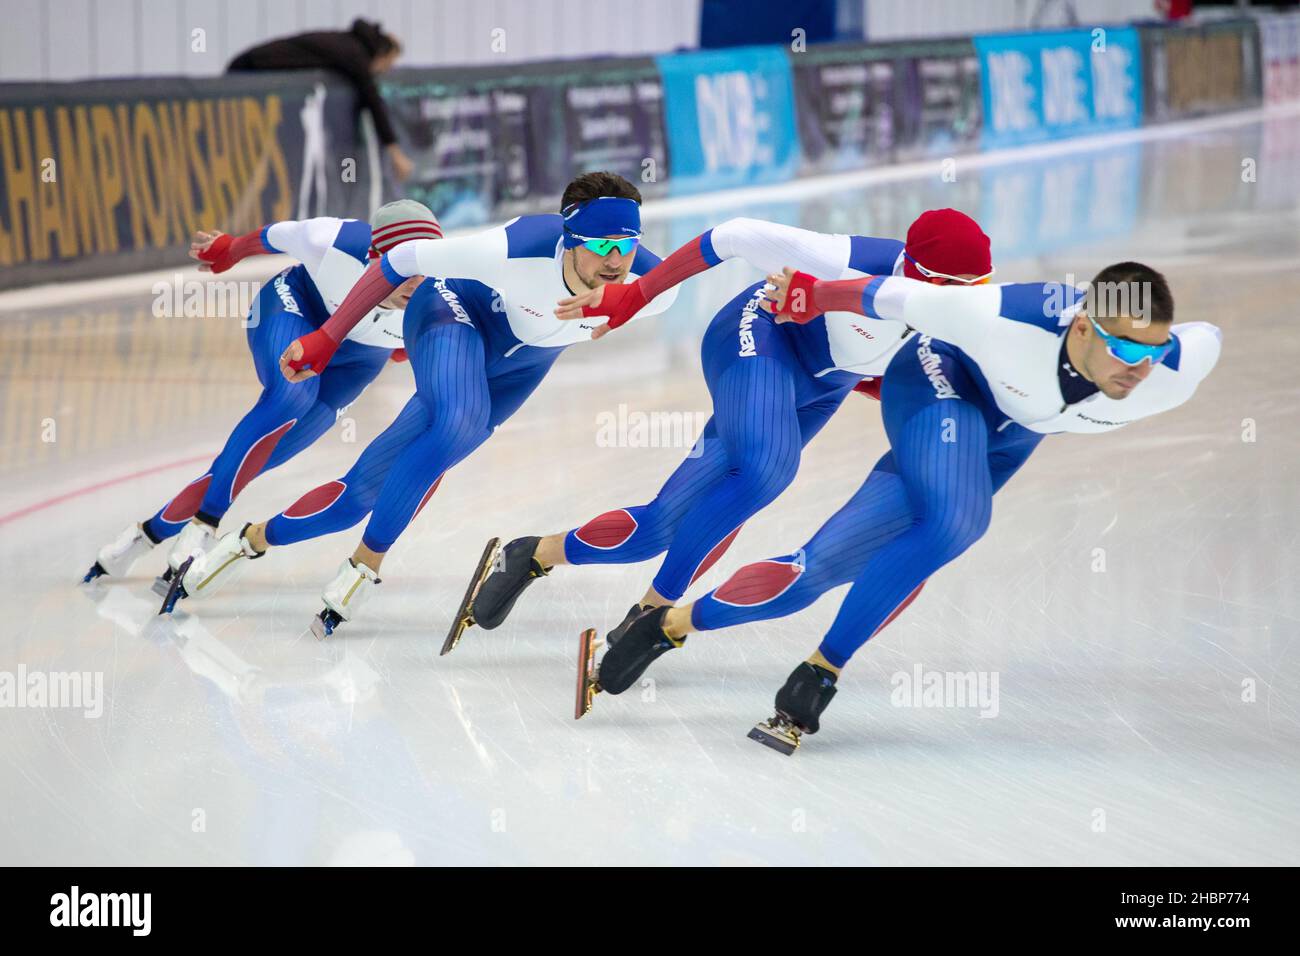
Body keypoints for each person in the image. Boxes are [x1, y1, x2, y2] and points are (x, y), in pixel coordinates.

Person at [590, 260, 1222, 753]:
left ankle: (668, 628)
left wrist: (1159, 350)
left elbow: (1206, 335)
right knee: (957, 519)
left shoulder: (1175, 369)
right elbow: (897, 298)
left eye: (1152, 352)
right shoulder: (1008, 314)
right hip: (939, 382)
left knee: (821, 569)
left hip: (1012, 433)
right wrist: (813, 292)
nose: (1139, 368)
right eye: (1126, 350)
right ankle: (819, 674)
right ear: (1082, 326)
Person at [455, 210, 994, 659]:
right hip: (759, 340)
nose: (958, 300)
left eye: (976, 289)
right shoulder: (841, 257)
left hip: (826, 384)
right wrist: (636, 295)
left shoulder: (965, 305)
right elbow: (729, 236)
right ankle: (649, 615)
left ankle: (532, 553)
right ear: (912, 269)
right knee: (767, 468)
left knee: (663, 525)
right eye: (947, 287)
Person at [167, 172, 678, 638]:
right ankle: (365, 565)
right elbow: (395, 263)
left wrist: (629, 294)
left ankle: (251, 539)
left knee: (361, 495)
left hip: (525, 364)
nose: (616, 261)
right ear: (570, 238)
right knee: (461, 420)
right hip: (452, 313)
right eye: (602, 245)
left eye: (627, 245)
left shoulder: (650, 287)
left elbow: (681, 274)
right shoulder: (513, 247)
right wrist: (326, 336)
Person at [83, 201, 440, 594]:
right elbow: (277, 235)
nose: (417, 282)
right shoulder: (333, 242)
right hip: (296, 307)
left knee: (263, 456)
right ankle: (204, 525)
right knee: (292, 397)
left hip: (358, 360)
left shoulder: (442, 294)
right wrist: (231, 249)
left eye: (425, 266)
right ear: (375, 257)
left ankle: (147, 534)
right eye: (403, 268)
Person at [228, 18, 414, 182]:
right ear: (381, 54)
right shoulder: (355, 53)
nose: (383, 72)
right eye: (387, 65)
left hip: (248, 67)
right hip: (247, 69)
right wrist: (395, 153)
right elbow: (373, 100)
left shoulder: (348, 45)